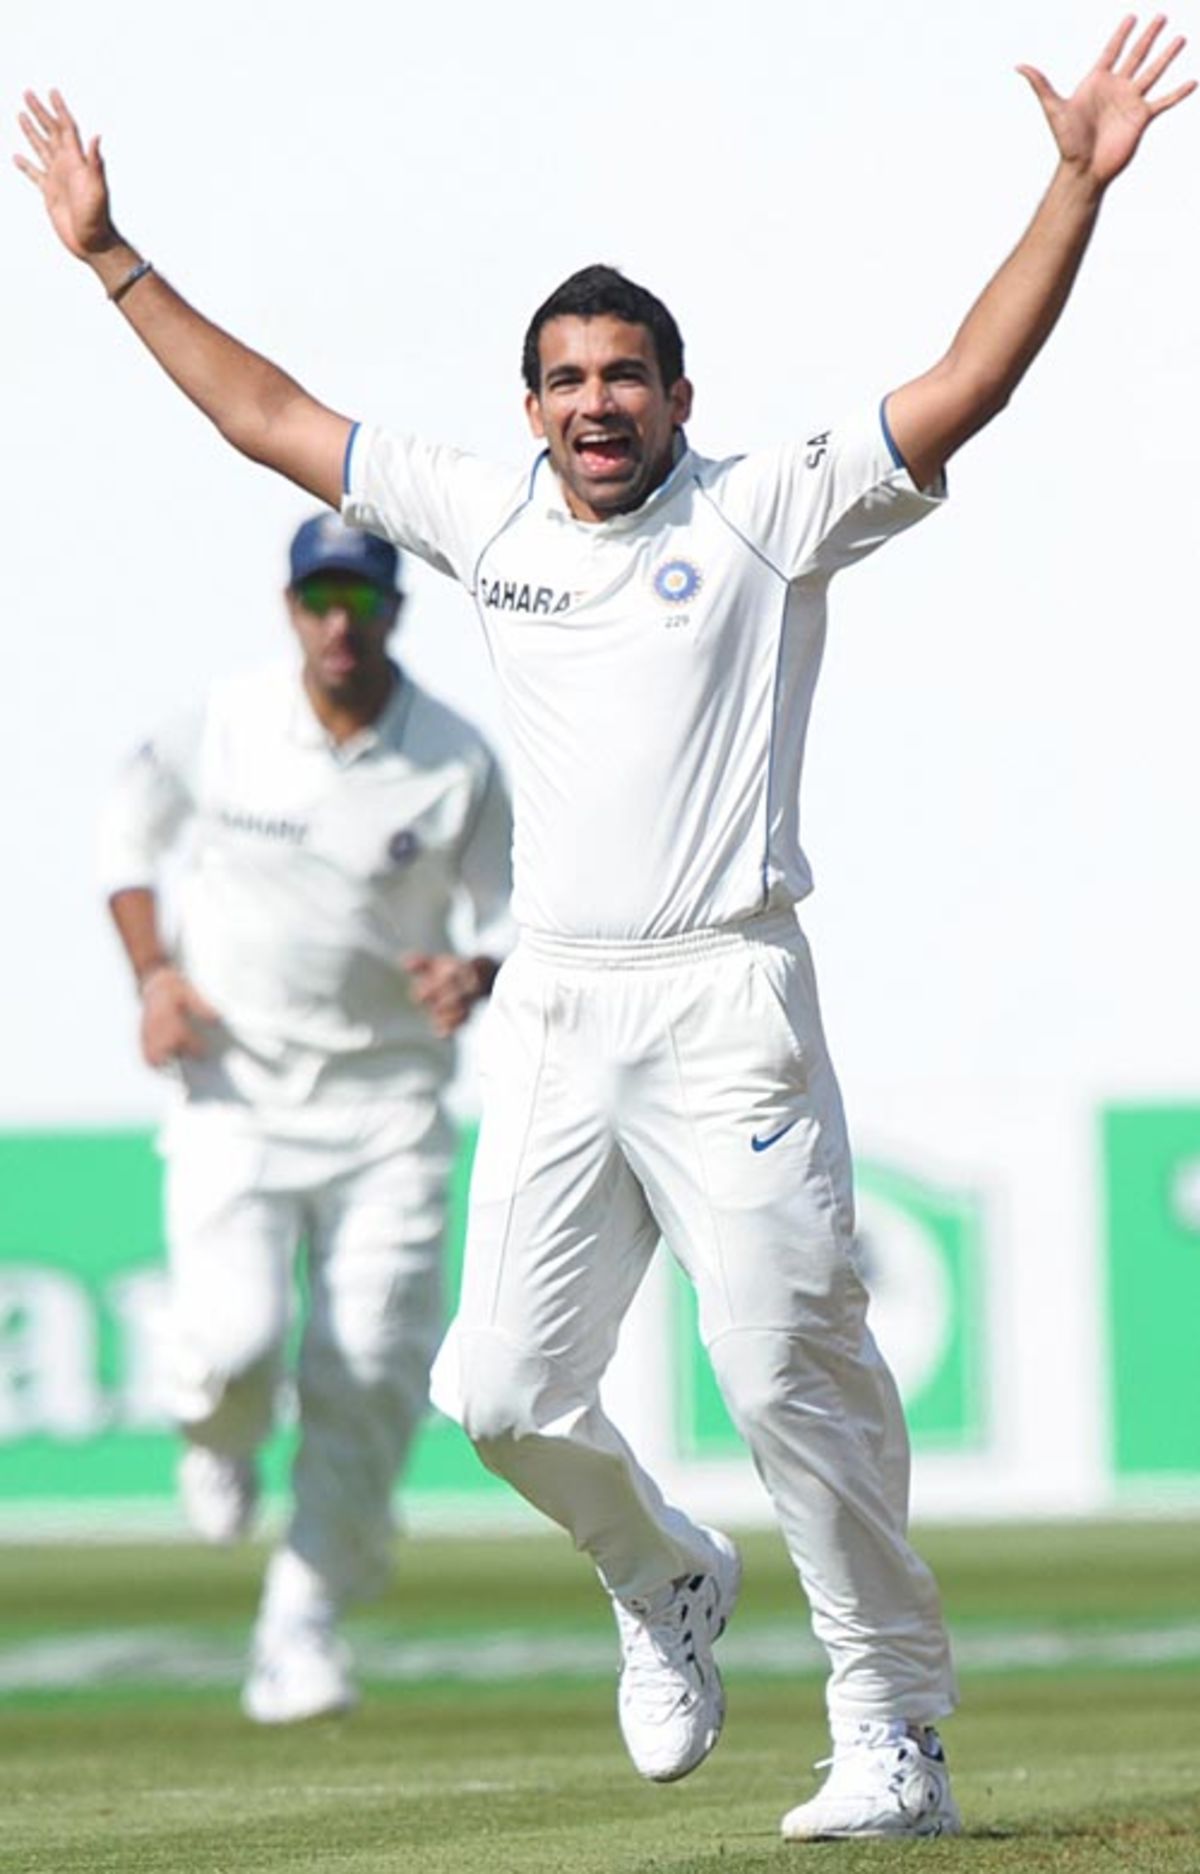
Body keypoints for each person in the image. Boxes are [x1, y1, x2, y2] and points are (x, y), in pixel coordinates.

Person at [16, 16, 1193, 1835]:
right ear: (529, 400)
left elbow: (966, 380)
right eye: (564, 375)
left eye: (626, 374)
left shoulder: (763, 514)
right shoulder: (484, 516)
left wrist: (1075, 184)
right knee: (491, 1391)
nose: (594, 401)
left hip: (729, 993)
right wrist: (107, 255)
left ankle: (894, 1727)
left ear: (679, 395)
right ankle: (665, 1575)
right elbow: (268, 415)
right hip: (563, 1013)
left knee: (787, 1359)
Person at [94, 513, 513, 1724]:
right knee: (233, 1342)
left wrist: (474, 975)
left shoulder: (453, 757)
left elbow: (506, 915)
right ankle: (215, 1429)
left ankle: (302, 1622)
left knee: (371, 1367)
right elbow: (126, 837)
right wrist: (154, 976)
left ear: (393, 611)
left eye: (364, 601)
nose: (341, 622)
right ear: (291, 607)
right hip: (234, 1088)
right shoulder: (220, 726)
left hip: (388, 1107)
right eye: (321, 598)